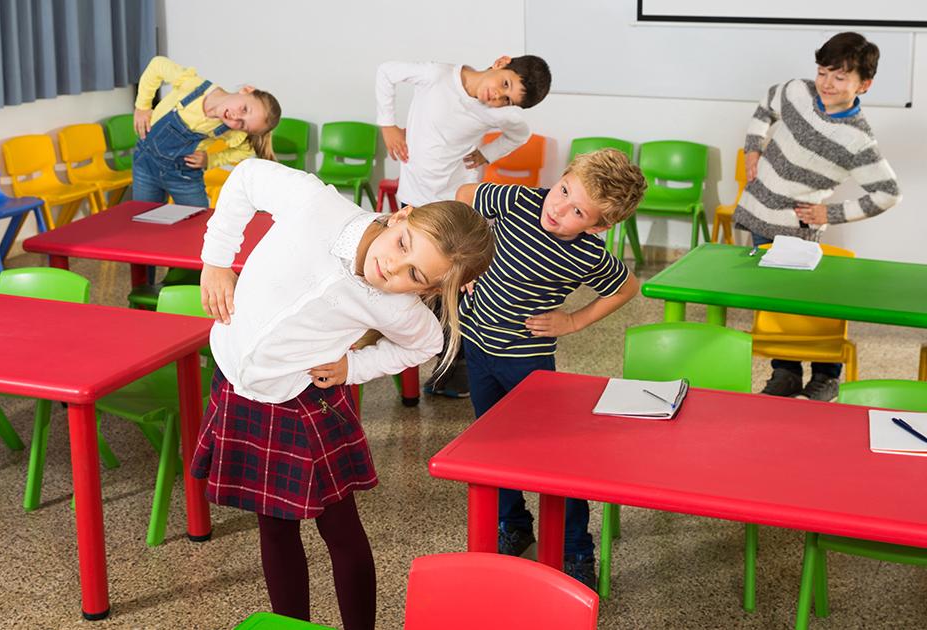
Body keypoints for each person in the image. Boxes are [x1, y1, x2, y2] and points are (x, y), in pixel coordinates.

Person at [194, 159, 494, 629]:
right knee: (274, 526)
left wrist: (353, 366)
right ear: (401, 215)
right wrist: (215, 260)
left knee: (339, 528)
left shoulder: (397, 306)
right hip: (237, 380)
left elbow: (426, 344)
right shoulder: (316, 205)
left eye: (415, 276)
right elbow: (247, 175)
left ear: (432, 288)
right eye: (402, 245)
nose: (392, 267)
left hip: (302, 402)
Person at [455, 148, 647, 588]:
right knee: (493, 445)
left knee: (554, 459)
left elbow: (626, 288)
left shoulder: (587, 254)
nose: (558, 207)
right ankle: (514, 523)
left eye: (577, 209)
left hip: (528, 364)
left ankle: (576, 548)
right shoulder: (519, 200)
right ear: (559, 177)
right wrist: (465, 256)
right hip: (478, 347)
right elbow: (466, 194)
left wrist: (574, 320)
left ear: (598, 225)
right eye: (563, 191)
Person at [733, 32, 901, 402]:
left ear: (864, 84)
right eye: (823, 71)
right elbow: (766, 106)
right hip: (759, 214)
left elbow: (888, 193)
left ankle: (826, 376)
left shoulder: (858, 140)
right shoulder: (797, 92)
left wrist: (831, 212)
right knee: (773, 299)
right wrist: (752, 150)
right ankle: (786, 372)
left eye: (840, 77)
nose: (827, 83)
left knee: (807, 302)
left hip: (796, 230)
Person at [375, 54, 551, 398]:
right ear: (502, 62)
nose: (496, 98)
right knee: (417, 282)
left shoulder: (500, 113)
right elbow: (386, 72)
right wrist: (388, 125)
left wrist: (490, 153)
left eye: (507, 100)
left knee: (450, 283)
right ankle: (429, 355)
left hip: (454, 202)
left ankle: (456, 365)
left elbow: (520, 132)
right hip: (415, 198)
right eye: (504, 85)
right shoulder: (436, 75)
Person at [132, 55, 282, 207]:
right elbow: (157, 65)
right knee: (143, 218)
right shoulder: (192, 85)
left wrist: (210, 160)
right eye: (244, 109)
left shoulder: (230, 131)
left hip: (184, 176)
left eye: (242, 124)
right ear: (246, 90)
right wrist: (142, 106)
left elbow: (246, 151)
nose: (236, 117)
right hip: (145, 165)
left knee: (199, 222)